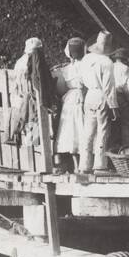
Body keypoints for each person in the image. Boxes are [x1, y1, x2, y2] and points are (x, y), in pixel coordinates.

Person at [79, 31, 119, 172]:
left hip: (90, 94)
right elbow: (109, 87)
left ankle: (84, 164)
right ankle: (100, 164)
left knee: (88, 131)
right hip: (101, 96)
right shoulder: (107, 62)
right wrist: (113, 106)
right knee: (102, 130)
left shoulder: (86, 59)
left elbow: (82, 80)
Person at [53, 37, 87, 173]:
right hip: (81, 96)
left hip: (70, 99)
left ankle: (75, 164)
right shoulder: (85, 66)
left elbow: (61, 88)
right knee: (81, 128)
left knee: (70, 130)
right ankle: (82, 164)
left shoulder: (66, 69)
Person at [110, 49, 129, 148]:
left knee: (113, 125)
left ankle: (113, 149)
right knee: (128, 123)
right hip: (121, 96)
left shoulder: (110, 66)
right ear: (125, 58)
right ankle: (127, 148)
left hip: (110, 96)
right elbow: (128, 87)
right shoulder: (126, 69)